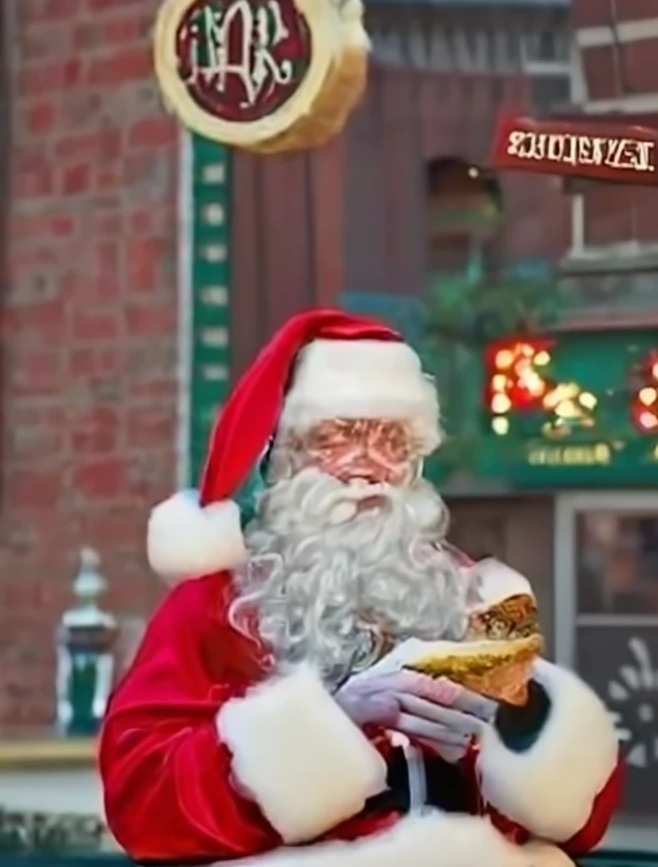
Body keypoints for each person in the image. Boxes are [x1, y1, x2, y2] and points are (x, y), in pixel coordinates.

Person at [98, 309, 622, 867]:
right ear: (285, 455)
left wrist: (507, 733)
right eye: (340, 437)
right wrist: (339, 720)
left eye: (392, 440)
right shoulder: (218, 605)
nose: (368, 465)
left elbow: (581, 818)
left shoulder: (473, 596)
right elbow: (141, 804)